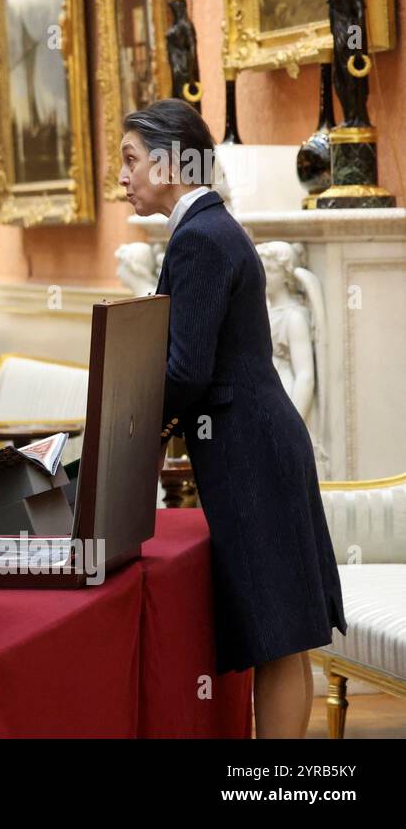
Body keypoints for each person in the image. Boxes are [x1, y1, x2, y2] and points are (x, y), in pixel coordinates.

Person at [120, 98, 345, 739]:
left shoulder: (199, 238)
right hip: (261, 443)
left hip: (249, 453)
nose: (123, 177)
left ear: (169, 163)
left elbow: (186, 369)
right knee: (284, 636)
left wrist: (129, 437)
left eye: (131, 160)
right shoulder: (212, 229)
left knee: (277, 635)